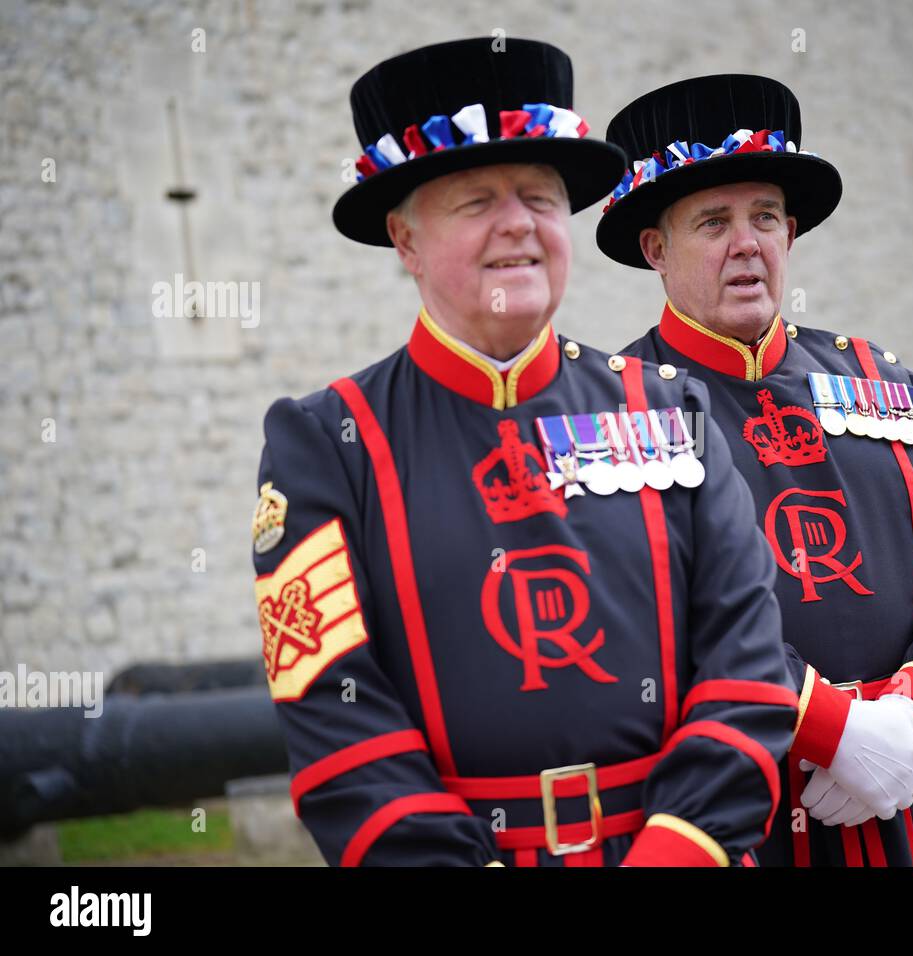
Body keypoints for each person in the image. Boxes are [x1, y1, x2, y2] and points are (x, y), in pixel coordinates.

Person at [251, 41, 798, 867]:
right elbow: (334, 711)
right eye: (476, 202)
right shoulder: (326, 443)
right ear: (404, 237)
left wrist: (675, 851)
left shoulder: (671, 407)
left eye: (541, 198)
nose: (519, 225)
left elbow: (748, 662)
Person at [601, 74, 913, 866]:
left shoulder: (883, 382)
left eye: (764, 217)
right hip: (741, 815)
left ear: (791, 233)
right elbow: (650, 628)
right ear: (655, 248)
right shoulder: (616, 414)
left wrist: (911, 708)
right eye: (713, 222)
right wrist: (826, 727)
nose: (746, 243)